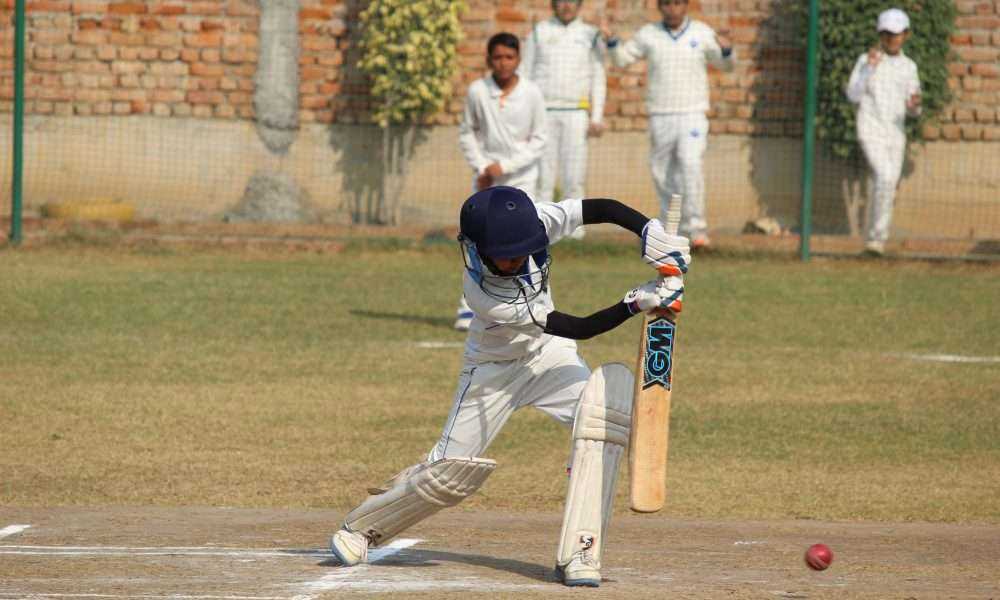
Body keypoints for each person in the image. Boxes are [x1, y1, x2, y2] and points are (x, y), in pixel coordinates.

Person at [329, 185, 691, 587]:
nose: (515, 261)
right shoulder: (484, 294)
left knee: (603, 425)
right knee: (447, 474)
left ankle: (581, 552)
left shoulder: (534, 224)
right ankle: (360, 528)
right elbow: (580, 327)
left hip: (550, 356)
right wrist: (635, 303)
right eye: (505, 256)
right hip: (492, 374)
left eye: (521, 252)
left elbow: (601, 208)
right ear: (478, 249)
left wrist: (649, 232)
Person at [601, 0, 733, 250]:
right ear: (660, 7)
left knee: (690, 165)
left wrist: (726, 49)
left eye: (677, 4)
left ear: (685, 6)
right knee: (662, 171)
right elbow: (622, 60)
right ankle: (670, 229)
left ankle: (697, 230)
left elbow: (726, 65)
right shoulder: (649, 34)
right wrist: (613, 41)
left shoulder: (701, 32)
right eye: (667, 4)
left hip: (692, 113)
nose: (673, 9)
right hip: (660, 113)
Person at [454, 32, 548, 331]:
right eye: (497, 57)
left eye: (509, 57)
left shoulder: (532, 92)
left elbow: (540, 139)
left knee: (527, 241)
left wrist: (504, 166)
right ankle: (469, 307)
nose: (503, 63)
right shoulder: (477, 91)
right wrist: (482, 167)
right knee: (478, 241)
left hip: (522, 179)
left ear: (519, 59)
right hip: (486, 182)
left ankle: (535, 302)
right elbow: (467, 132)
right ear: (488, 60)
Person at [522, 0, 607, 239]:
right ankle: (540, 230)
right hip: (544, 112)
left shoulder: (590, 34)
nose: (566, 6)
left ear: (579, 5)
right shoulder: (539, 31)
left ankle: (575, 233)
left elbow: (598, 77)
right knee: (544, 177)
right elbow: (525, 74)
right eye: (561, 1)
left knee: (575, 175)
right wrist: (525, 116)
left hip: (577, 112)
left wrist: (597, 116)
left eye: (572, 1)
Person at [846, 8, 921, 257]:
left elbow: (914, 109)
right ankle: (876, 238)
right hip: (870, 129)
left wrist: (915, 105)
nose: (892, 39)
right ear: (880, 34)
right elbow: (853, 95)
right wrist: (869, 68)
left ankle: (875, 240)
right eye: (887, 33)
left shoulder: (909, 67)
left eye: (897, 34)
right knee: (886, 176)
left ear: (906, 35)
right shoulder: (865, 60)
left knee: (887, 184)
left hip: (896, 134)